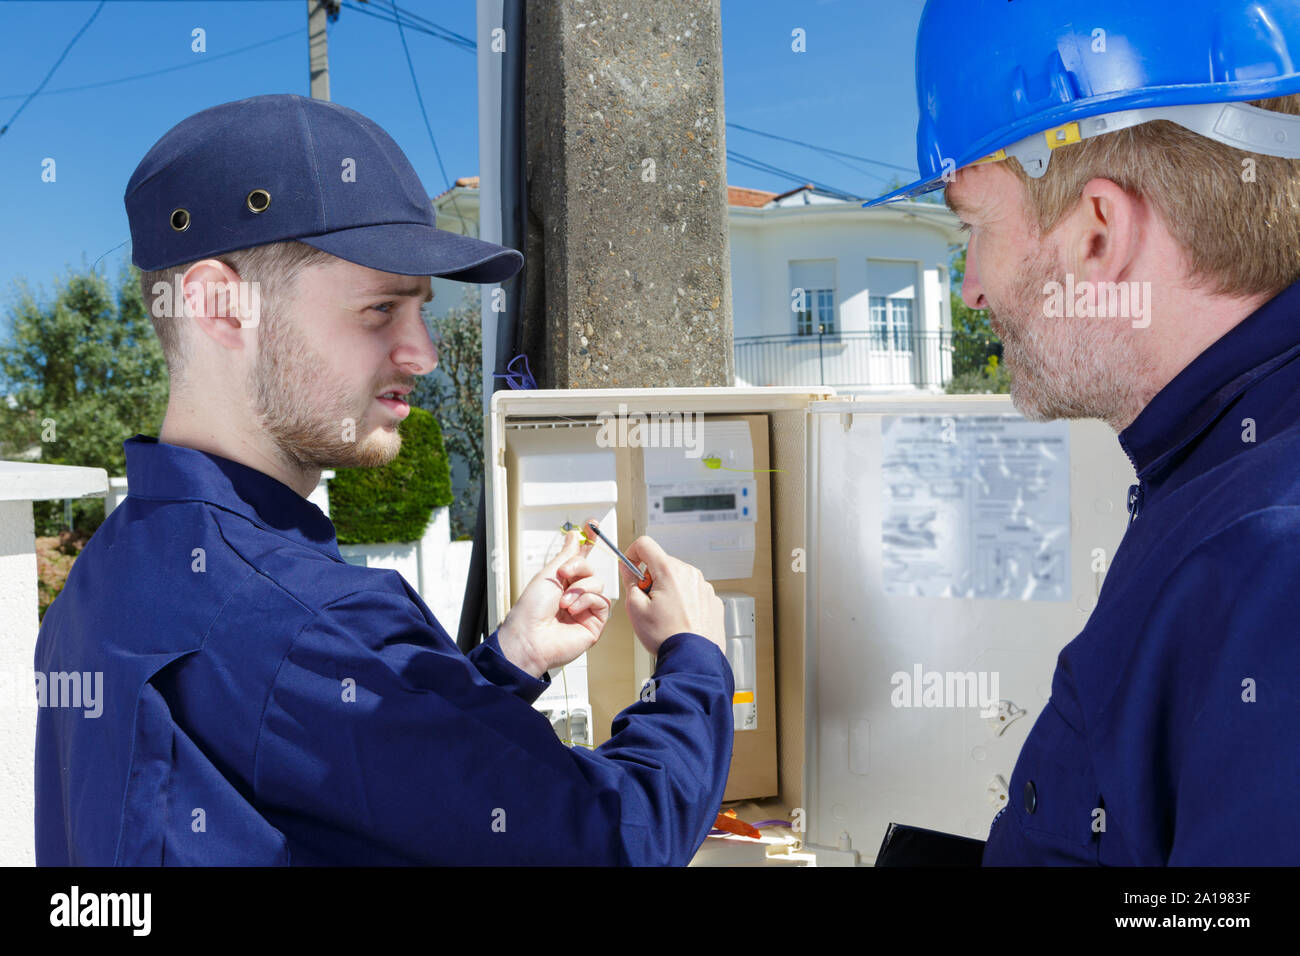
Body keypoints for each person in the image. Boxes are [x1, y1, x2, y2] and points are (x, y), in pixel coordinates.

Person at [34, 93, 732, 866]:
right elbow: (611, 841)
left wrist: (506, 665)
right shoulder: (304, 619)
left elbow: (327, 776)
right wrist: (695, 663)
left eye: (421, 311)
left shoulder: (108, 575)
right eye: (379, 310)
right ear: (219, 305)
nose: (423, 353)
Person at [865, 0, 1300, 864]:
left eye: (973, 231)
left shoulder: (1268, 557)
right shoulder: (1218, 475)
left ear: (1098, 235)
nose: (972, 290)